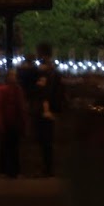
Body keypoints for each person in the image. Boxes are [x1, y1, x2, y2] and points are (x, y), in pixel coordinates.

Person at [32, 43, 66, 177]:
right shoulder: (54, 70)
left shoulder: (45, 70)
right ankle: (47, 168)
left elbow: (43, 90)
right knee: (47, 140)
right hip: (50, 107)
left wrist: (45, 105)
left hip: (45, 108)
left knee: (44, 140)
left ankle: (46, 168)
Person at [0, 68, 28, 178]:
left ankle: (5, 170)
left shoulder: (5, 90)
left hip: (10, 121)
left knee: (8, 146)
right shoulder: (15, 90)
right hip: (11, 121)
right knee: (11, 147)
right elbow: (21, 106)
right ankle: (13, 170)